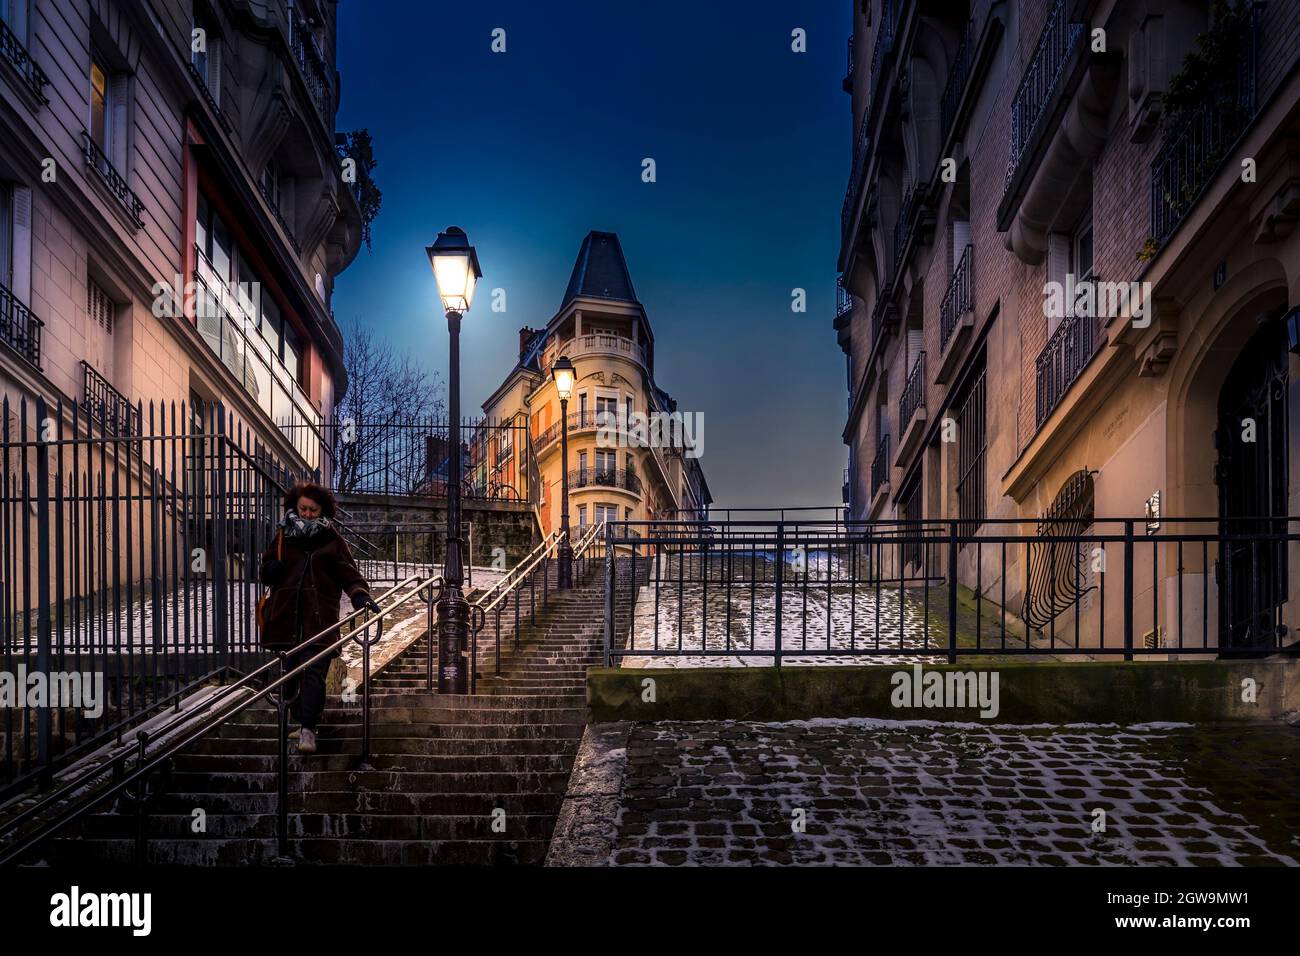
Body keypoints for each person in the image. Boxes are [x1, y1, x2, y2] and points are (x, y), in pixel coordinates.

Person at [259, 482, 378, 754]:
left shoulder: (332, 540)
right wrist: (271, 569)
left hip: (319, 621)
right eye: (303, 508)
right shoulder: (283, 536)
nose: (308, 514)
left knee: (313, 673)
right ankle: (298, 721)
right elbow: (265, 571)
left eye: (313, 509)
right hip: (285, 619)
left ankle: (308, 729)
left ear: (322, 510)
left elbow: (349, 573)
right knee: (288, 676)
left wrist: (359, 594)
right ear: (294, 507)